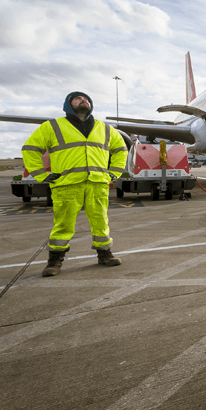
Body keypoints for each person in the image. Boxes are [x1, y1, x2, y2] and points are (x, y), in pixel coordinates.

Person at [22, 92, 129, 276]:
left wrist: (115, 172)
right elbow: (30, 149)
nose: (84, 101)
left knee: (101, 221)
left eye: (86, 99)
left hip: (97, 183)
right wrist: (40, 174)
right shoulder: (52, 126)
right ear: (68, 105)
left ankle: (105, 254)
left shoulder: (105, 128)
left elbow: (121, 149)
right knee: (63, 224)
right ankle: (54, 261)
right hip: (67, 184)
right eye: (78, 99)